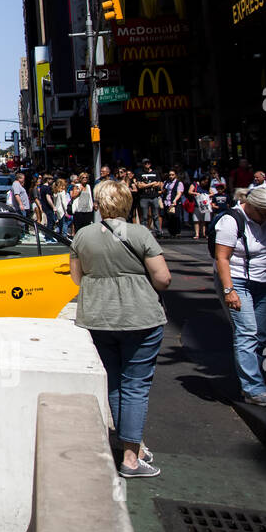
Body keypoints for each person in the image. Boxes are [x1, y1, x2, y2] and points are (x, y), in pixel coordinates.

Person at [70, 178, 170, 478]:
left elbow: (77, 278)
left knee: (115, 381)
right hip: (141, 316)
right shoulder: (140, 233)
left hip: (98, 316)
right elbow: (163, 278)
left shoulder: (82, 236)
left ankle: (133, 446)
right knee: (136, 384)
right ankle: (130, 457)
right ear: (127, 203)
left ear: (99, 205)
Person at [215, 186, 266, 406]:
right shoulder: (231, 221)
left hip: (263, 282)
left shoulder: (265, 219)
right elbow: (222, 258)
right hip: (238, 281)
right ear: (252, 205)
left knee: (263, 333)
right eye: (263, 213)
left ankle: (263, 376)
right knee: (247, 332)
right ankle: (253, 389)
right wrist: (229, 290)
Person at [160, 168, 184, 239]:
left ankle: (177, 232)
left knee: (176, 217)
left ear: (175, 175)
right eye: (170, 175)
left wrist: (175, 200)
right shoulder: (166, 182)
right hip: (167, 202)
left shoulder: (179, 183)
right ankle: (171, 232)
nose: (171, 176)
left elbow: (179, 193)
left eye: (172, 175)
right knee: (169, 218)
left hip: (175, 202)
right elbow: (163, 191)